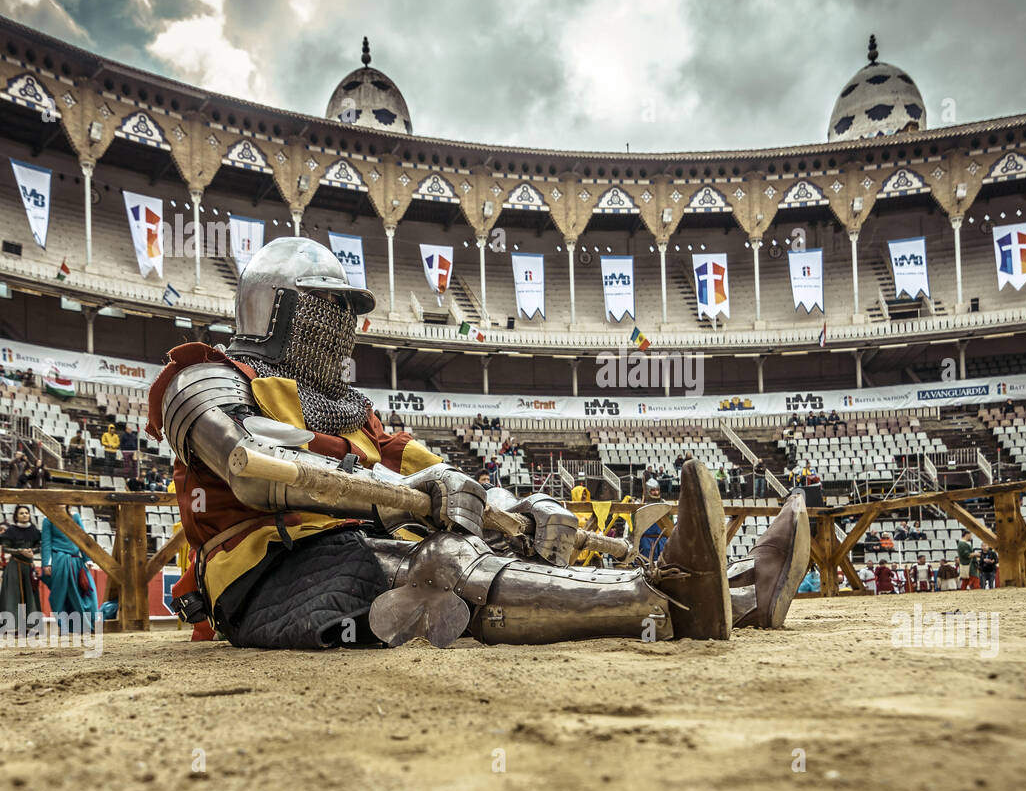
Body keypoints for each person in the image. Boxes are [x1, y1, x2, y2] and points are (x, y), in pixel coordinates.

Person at [146, 237, 810, 650]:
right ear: (280, 309)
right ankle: (668, 599)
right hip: (267, 581)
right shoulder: (204, 377)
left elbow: (443, 475)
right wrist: (402, 499)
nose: (342, 330)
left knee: (473, 541)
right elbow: (248, 464)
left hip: (350, 554)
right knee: (443, 561)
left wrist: (518, 504)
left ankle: (725, 590)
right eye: (327, 311)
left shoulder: (357, 416)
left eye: (345, 315)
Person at [41, 510, 97, 626]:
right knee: (59, 595)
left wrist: (87, 558)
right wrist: (46, 563)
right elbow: (46, 542)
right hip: (59, 560)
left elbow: (82, 538)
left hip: (76, 561)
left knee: (86, 591)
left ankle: (85, 624)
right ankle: (64, 625)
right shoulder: (48, 520)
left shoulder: (75, 516)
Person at [0, 505, 43, 623]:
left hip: (29, 567)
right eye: (21, 513)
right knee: (13, 595)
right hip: (15, 566)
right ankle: (12, 625)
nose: (25, 515)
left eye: (26, 513)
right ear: (16, 516)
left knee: (31, 594)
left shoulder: (34, 530)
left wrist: (31, 552)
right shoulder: (11, 531)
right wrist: (20, 551)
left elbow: (39, 547)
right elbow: (5, 548)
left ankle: (31, 625)